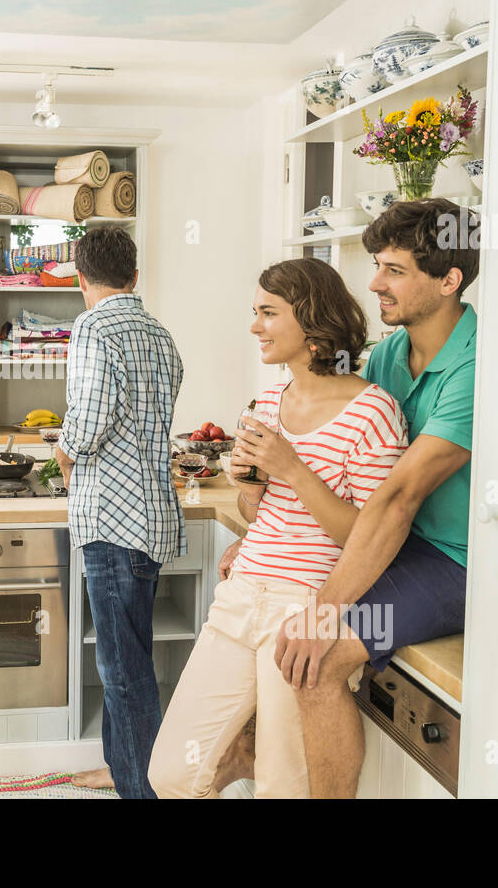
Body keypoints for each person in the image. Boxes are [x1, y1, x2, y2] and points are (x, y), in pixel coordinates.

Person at [148, 258, 408, 797]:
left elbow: (366, 536)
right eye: (255, 312)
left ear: (312, 322)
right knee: (172, 772)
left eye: (268, 312)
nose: (254, 326)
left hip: (304, 608)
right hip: (241, 596)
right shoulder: (270, 400)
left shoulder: (374, 412)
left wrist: (291, 467)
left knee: (283, 787)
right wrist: (250, 485)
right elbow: (259, 512)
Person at [271, 198, 479, 797]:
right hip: (396, 547)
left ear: (449, 281)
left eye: (393, 270)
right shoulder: (388, 355)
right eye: (377, 265)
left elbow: (397, 498)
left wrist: (325, 608)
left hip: (450, 564)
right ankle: (248, 762)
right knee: (276, 607)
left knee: (318, 659)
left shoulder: (478, 365)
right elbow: (328, 404)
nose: (374, 283)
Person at [54, 226, 185, 799]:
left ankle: (141, 789)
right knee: (129, 658)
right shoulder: (159, 333)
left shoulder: (92, 326)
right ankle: (123, 771)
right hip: (151, 516)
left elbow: (89, 415)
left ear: (81, 278)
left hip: (110, 518)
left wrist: (63, 455)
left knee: (122, 671)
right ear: (135, 275)